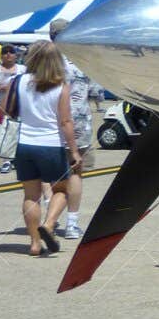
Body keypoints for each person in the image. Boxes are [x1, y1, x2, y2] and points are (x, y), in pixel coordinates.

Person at [12, 41, 80, 256]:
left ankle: (34, 244)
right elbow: (66, 122)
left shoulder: (19, 81)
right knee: (62, 189)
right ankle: (49, 225)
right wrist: (74, 150)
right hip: (51, 145)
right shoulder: (61, 86)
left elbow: (6, 109)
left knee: (30, 196)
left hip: (25, 144)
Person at [48, 18, 94, 237]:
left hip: (50, 123)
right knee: (76, 173)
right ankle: (72, 224)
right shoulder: (83, 59)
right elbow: (96, 91)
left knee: (55, 176)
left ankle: (50, 219)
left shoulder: (46, 63)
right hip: (80, 123)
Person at [0, 46, 25, 174]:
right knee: (2, 130)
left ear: (16, 55)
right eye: (5, 52)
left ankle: (17, 158)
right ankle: (6, 160)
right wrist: (1, 87)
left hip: (18, 104)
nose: (8, 55)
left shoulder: (22, 69)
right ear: (1, 55)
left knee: (18, 130)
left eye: (11, 52)